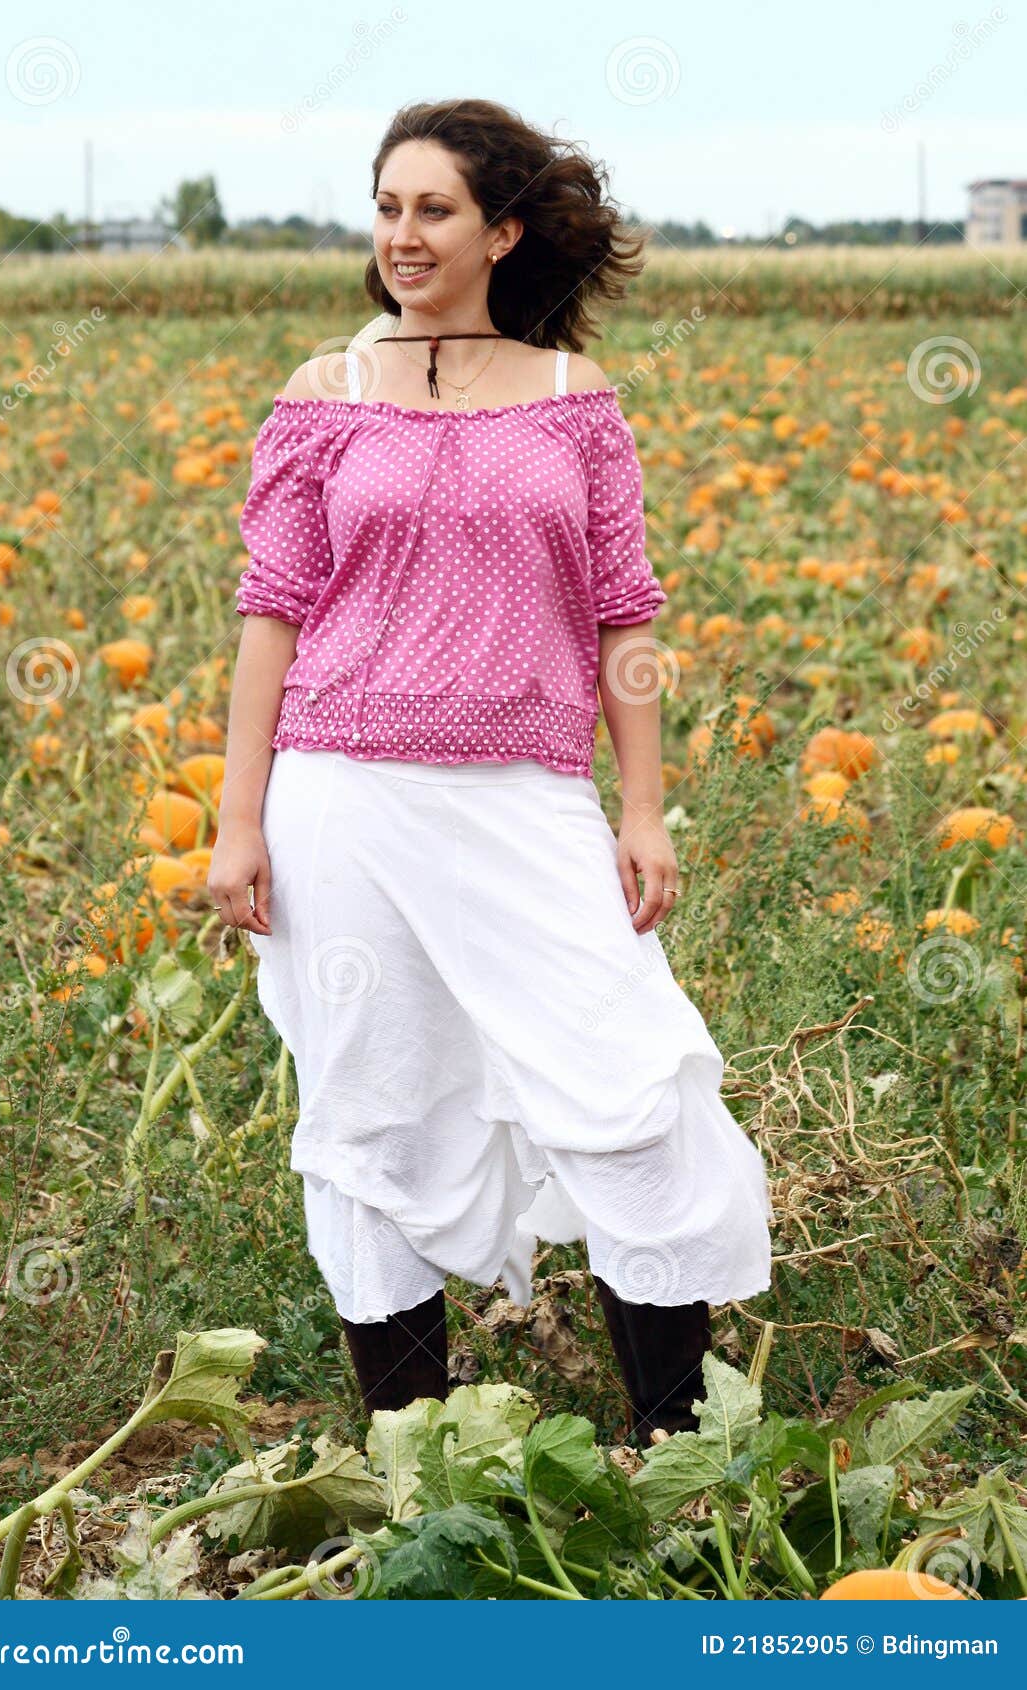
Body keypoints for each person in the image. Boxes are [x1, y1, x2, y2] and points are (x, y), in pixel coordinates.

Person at [210, 97, 773, 1450]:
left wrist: (639, 805)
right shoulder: (321, 395)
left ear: (502, 231)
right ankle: (419, 1448)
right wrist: (239, 823)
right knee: (374, 1108)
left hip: (523, 799)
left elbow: (626, 614)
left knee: (630, 1085)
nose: (403, 235)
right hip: (339, 795)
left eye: (435, 209)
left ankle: (672, 1446)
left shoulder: (577, 406)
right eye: (388, 207)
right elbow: (271, 610)